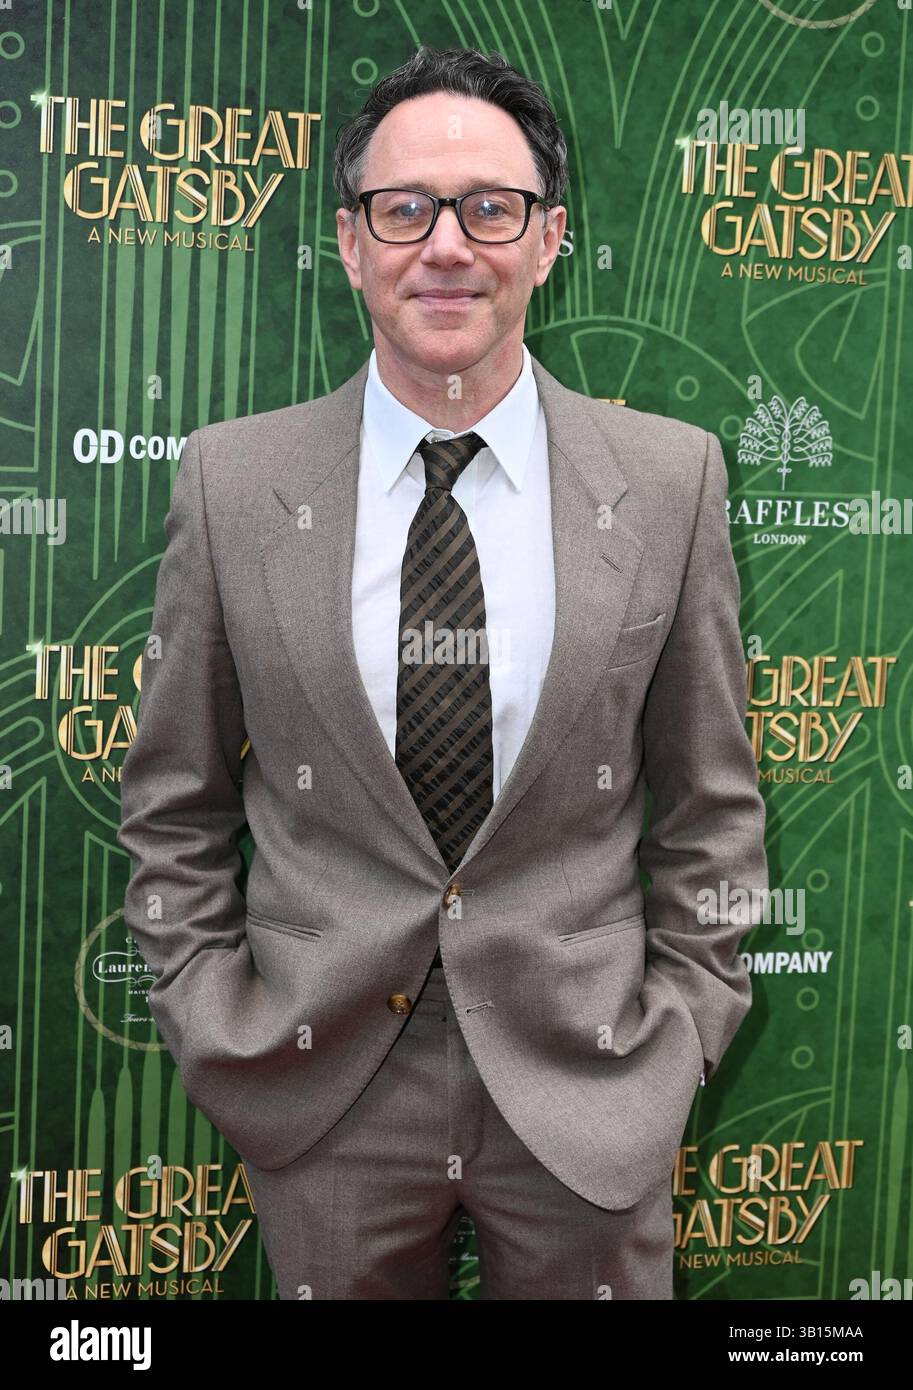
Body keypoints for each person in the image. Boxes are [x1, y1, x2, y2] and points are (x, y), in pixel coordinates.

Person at [117, 45, 768, 1300]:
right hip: (323, 1089)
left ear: (549, 238)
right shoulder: (234, 486)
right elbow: (173, 800)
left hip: (590, 1085)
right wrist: (212, 1017)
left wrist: (680, 1034)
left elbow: (711, 807)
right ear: (352, 243)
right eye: (404, 208)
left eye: (492, 207)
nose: (448, 245)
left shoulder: (673, 478)